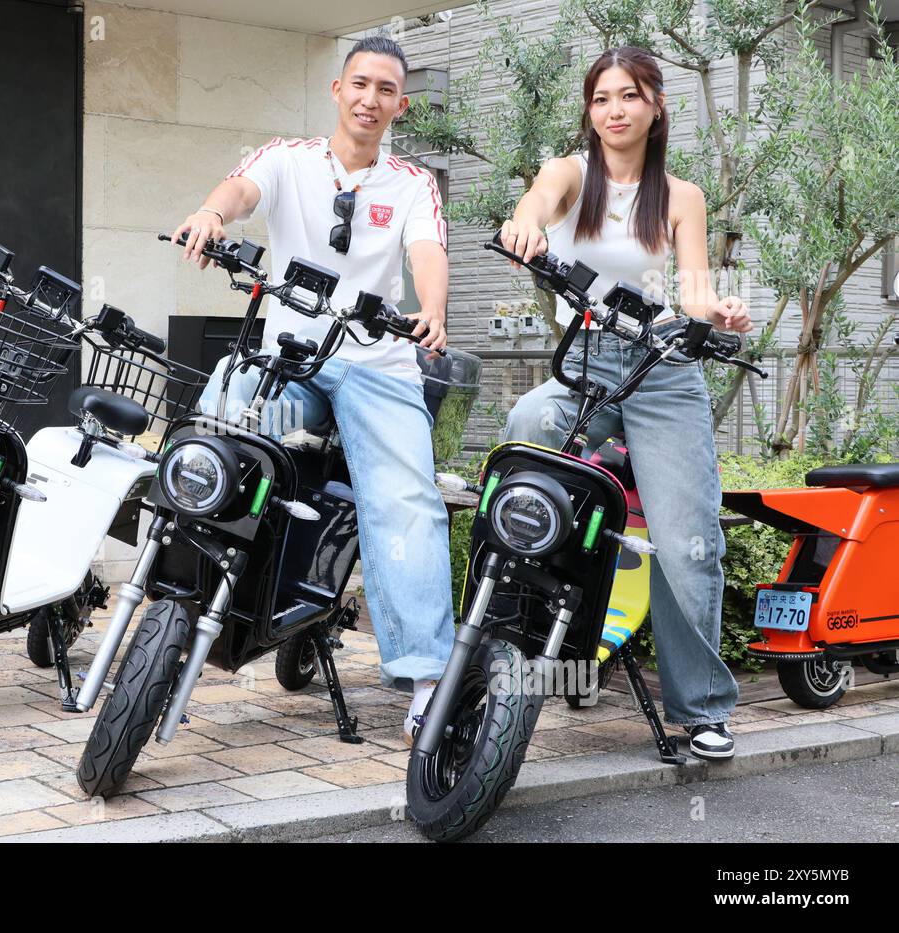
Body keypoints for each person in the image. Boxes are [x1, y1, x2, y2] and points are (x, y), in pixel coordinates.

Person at [170, 35, 452, 744]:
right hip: (290, 355)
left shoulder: (413, 183)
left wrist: (433, 308)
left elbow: (428, 251)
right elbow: (240, 190)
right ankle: (173, 609)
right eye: (360, 83)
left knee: (407, 501)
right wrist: (212, 213)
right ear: (337, 89)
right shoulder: (288, 159)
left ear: (401, 105)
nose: (370, 99)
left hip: (377, 365)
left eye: (386, 90)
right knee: (212, 432)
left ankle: (425, 678)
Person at [501, 46, 752, 761]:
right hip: (583, 358)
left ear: (655, 107)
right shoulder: (567, 174)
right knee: (526, 425)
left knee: (685, 541)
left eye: (630, 97)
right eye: (602, 98)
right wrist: (522, 227)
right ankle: (504, 639)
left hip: (663, 366)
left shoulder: (681, 195)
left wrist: (719, 312)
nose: (614, 110)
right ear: (591, 110)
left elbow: (694, 288)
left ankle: (701, 708)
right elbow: (532, 208)